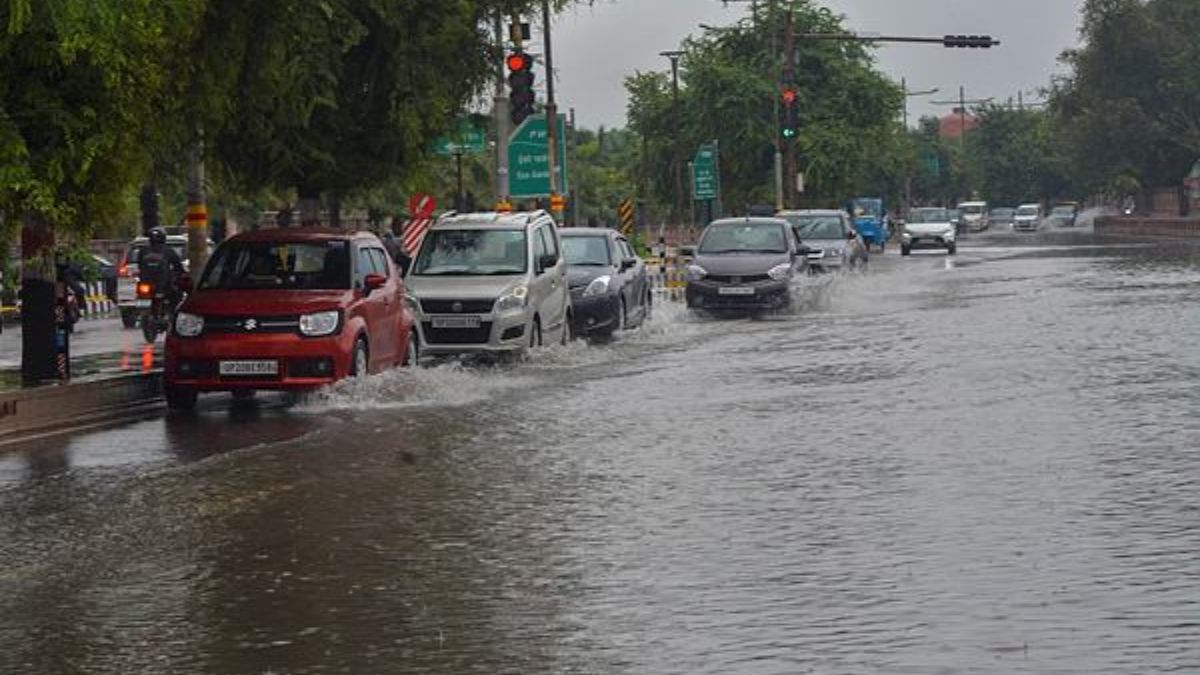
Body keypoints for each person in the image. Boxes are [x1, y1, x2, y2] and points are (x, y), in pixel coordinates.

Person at [138, 227, 186, 307]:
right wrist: (181, 273)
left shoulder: (143, 250)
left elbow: (139, 265)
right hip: (164, 285)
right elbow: (178, 266)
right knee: (177, 296)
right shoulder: (168, 250)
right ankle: (172, 311)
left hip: (146, 284)